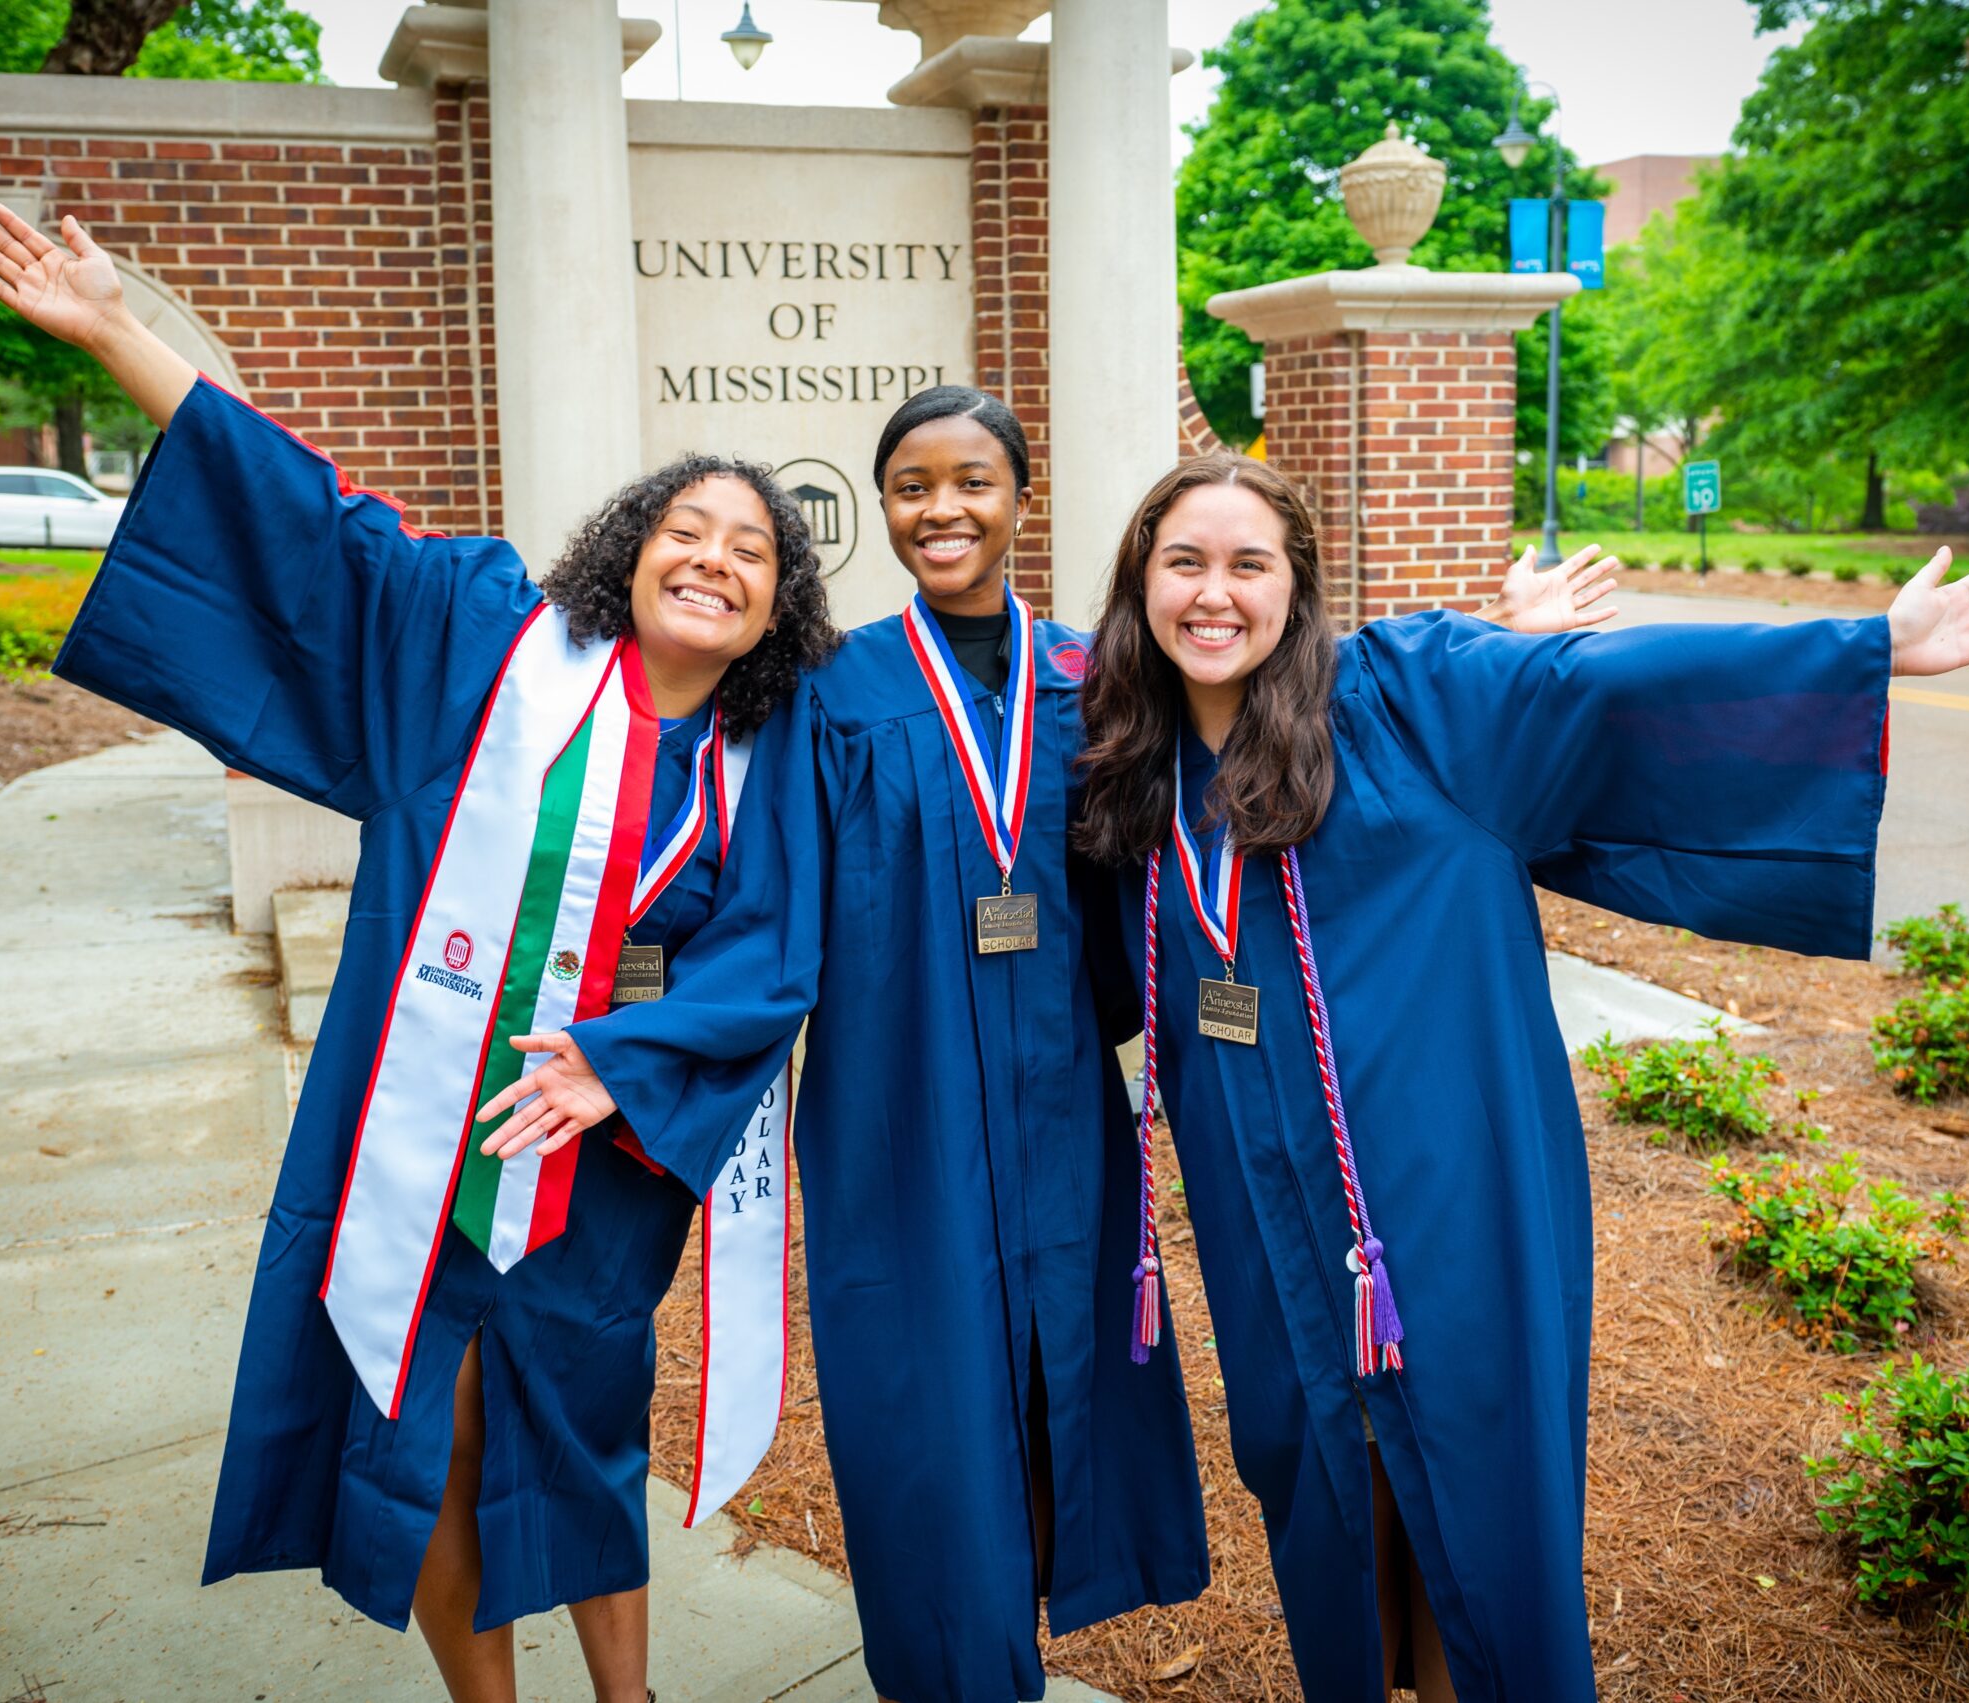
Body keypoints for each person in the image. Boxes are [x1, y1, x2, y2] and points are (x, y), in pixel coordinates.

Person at [476, 389, 1620, 1702]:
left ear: (1023, 499)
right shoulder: (833, 690)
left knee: (1051, 1400)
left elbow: (1278, 738)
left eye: (972, 481)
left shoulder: (1098, 678)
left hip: (1065, 1111)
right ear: (884, 509)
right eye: (911, 485)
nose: (942, 507)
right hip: (901, 1116)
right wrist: (632, 1043)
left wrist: (1504, 655)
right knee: (930, 1425)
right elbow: (770, 909)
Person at [0, 204, 839, 1703]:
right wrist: (115, 329)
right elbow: (312, 516)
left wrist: (619, 1071)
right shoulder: (483, 640)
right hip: (415, 1121)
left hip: (602, 1149)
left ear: (774, 605)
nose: (712, 556)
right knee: (426, 1423)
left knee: (579, 1430)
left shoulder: (777, 755)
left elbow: (776, 950)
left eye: (749, 548)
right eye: (685, 527)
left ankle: (627, 1698)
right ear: (630, 551)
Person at [1067, 453, 1969, 1702]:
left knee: (1476, 1476)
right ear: (1138, 582)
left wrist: (1865, 649)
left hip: (1450, 1193)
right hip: (1264, 1221)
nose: (1214, 595)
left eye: (1248, 563)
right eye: (1183, 563)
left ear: (1299, 584)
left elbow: (1603, 688)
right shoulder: (1127, 766)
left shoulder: (1408, 698)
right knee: (1317, 1474)